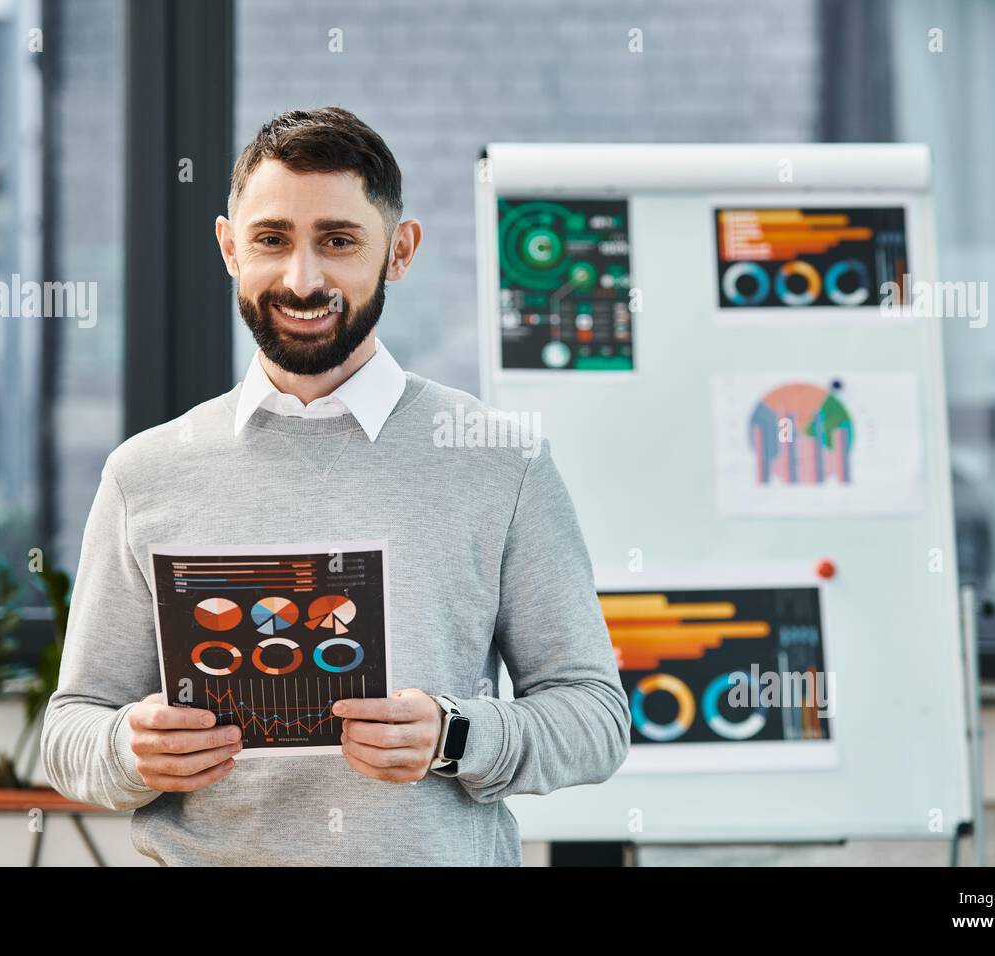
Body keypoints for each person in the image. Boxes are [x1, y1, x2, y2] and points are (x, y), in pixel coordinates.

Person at [41, 106, 630, 866]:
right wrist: (128, 748)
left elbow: (595, 718)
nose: (302, 278)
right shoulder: (145, 473)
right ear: (229, 247)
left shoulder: (500, 461)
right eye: (272, 239)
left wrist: (456, 736)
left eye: (339, 241)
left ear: (400, 251)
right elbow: (70, 729)